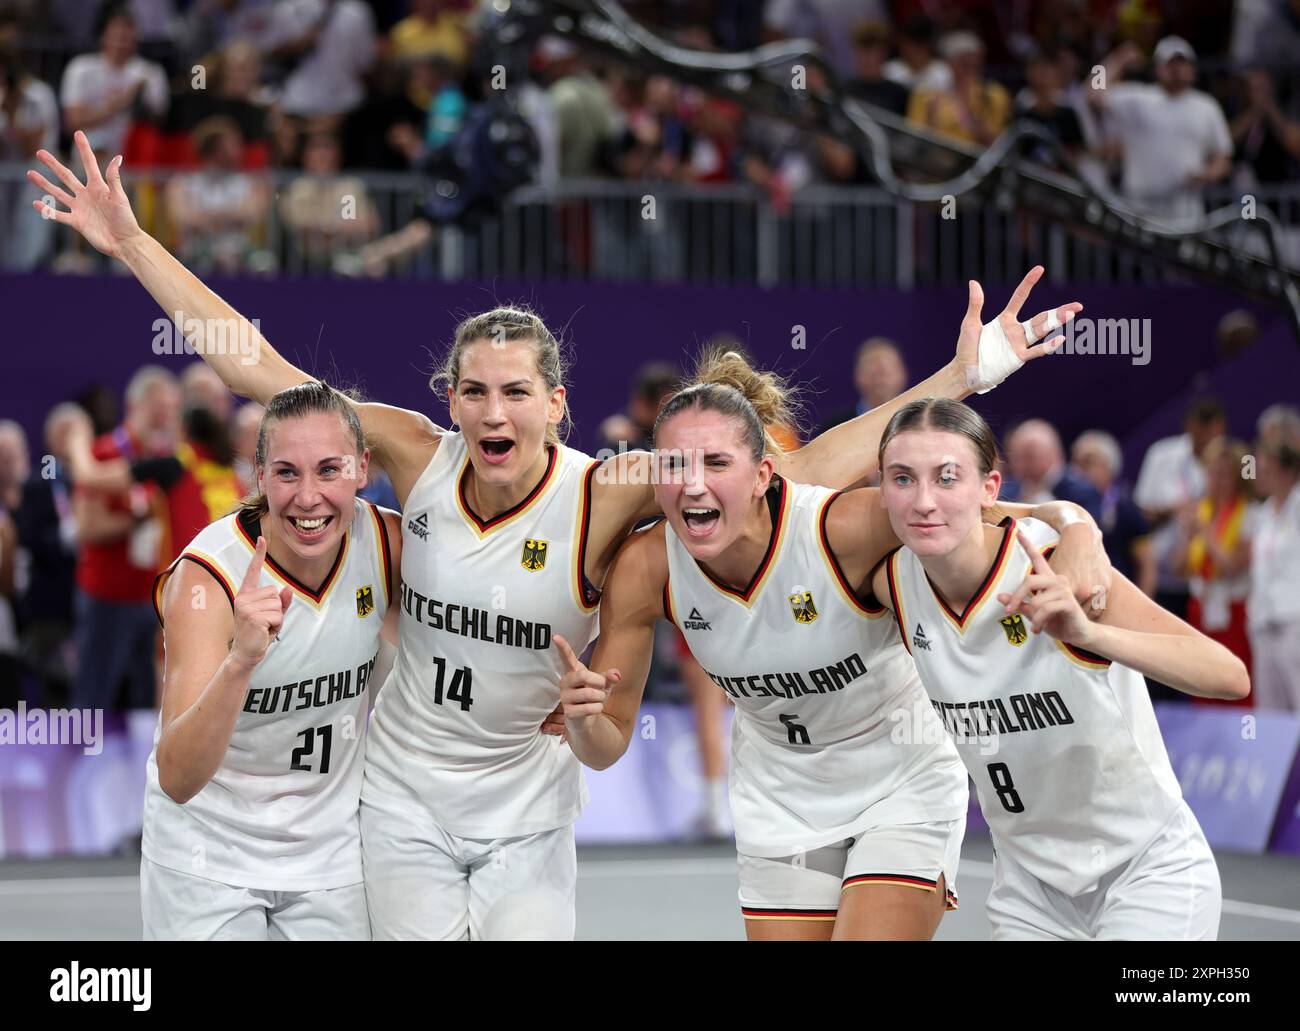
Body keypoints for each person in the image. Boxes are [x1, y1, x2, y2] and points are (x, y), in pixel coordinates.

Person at [30, 132, 1083, 939]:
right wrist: (132, 243)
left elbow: (794, 470)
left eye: (517, 393)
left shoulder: (614, 488)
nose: (493, 412)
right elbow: (253, 365)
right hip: (400, 797)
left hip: (531, 805)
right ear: (450, 395)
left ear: (557, 404)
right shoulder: (408, 450)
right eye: (475, 391)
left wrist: (963, 378)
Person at [553, 352, 1107, 940]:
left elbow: (972, 515)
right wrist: (585, 721)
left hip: (900, 779)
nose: (693, 483)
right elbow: (606, 742)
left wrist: (1076, 525)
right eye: (674, 464)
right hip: (781, 798)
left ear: (764, 474)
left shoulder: (841, 527)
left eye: (716, 462)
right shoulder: (646, 567)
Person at [870, 398, 1248, 940]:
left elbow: (1229, 675)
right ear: (881, 490)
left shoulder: (1057, 566)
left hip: (1145, 871)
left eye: (948, 477)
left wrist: (1090, 634)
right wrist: (1075, 516)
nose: (924, 500)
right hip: (1029, 890)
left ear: (989, 487)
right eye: (902, 478)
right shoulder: (893, 582)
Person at [142, 381, 401, 939]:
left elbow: (472, 619)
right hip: (207, 851)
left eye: (329, 470)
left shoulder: (386, 544)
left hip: (329, 852)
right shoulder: (208, 579)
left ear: (363, 468)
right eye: (287, 473)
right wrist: (241, 663)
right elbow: (177, 776)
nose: (308, 497)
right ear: (259, 476)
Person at [1088, 36, 1232, 226]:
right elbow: (1093, 92)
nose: (1177, 69)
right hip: (1140, 210)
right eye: (1170, 64)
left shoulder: (1206, 106)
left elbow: (1223, 157)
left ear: (1192, 69)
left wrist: (1206, 174)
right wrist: (1119, 58)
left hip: (1184, 211)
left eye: (1182, 63)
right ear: (1158, 68)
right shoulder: (1138, 99)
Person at [1170, 437, 1257, 707]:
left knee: (1235, 683)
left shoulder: (1250, 513)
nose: (1216, 479)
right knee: (1202, 681)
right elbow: (1179, 569)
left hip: (1235, 611)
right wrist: (1186, 535)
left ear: (1237, 477)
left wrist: (1205, 532)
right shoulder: (1201, 509)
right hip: (1201, 608)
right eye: (1212, 471)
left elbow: (1231, 566)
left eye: (1224, 473)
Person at [1070, 430, 1156, 596]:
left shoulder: (1125, 507)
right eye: (1075, 462)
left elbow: (1147, 564)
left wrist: (1143, 609)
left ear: (1108, 466)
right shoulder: (1069, 504)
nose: (1078, 471)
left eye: (1087, 463)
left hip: (1117, 598)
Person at [1249, 436, 1300, 711]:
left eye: (1266, 469)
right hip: (1263, 622)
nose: (1259, 475)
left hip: (1295, 622)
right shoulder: (1263, 513)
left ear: (1288, 471)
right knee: (1270, 711)